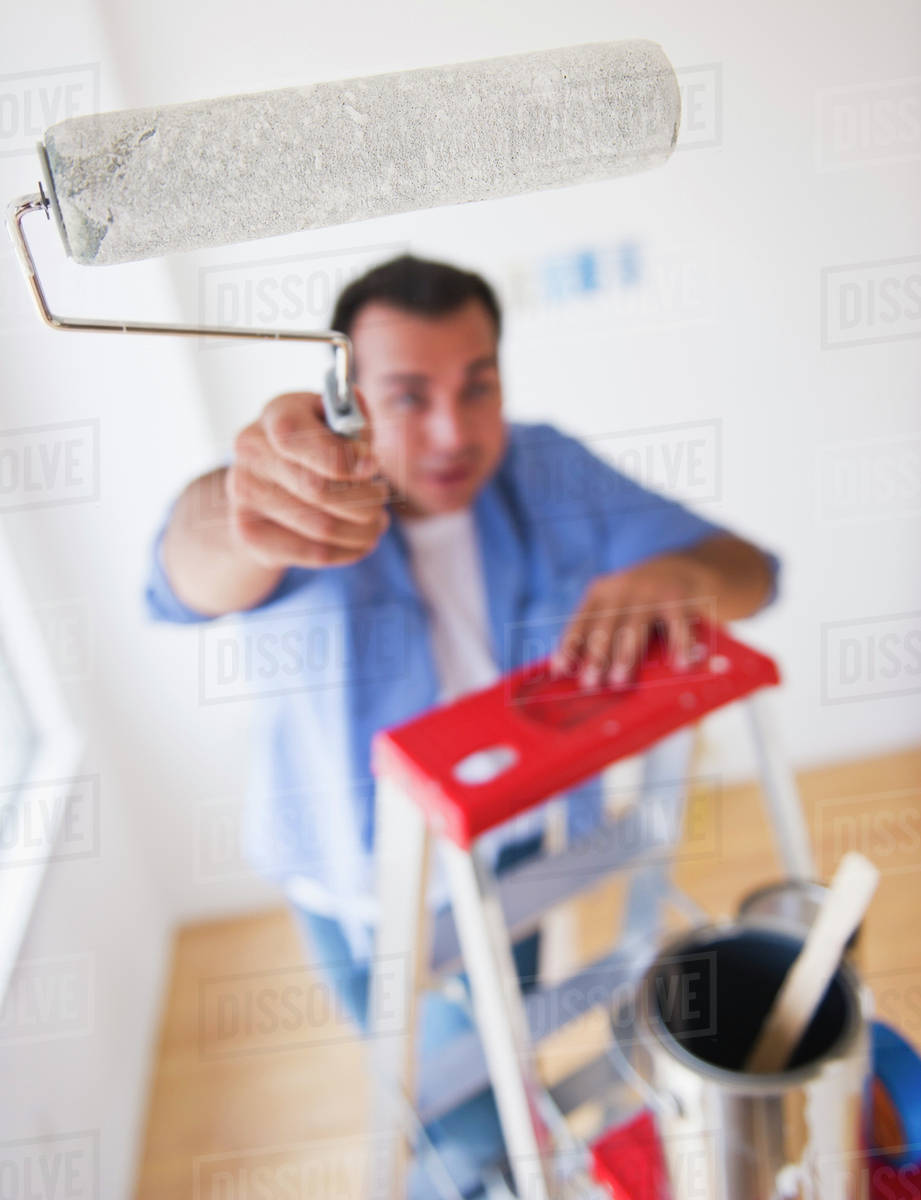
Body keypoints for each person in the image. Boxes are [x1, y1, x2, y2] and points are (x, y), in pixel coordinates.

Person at [144, 253, 778, 1197]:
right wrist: (242, 512)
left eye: (476, 387)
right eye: (407, 396)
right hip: (336, 881)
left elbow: (752, 574)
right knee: (424, 1097)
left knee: (475, 1113)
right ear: (348, 397)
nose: (452, 430)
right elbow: (182, 573)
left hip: (504, 859)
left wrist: (684, 579)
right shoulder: (309, 493)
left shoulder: (544, 463)